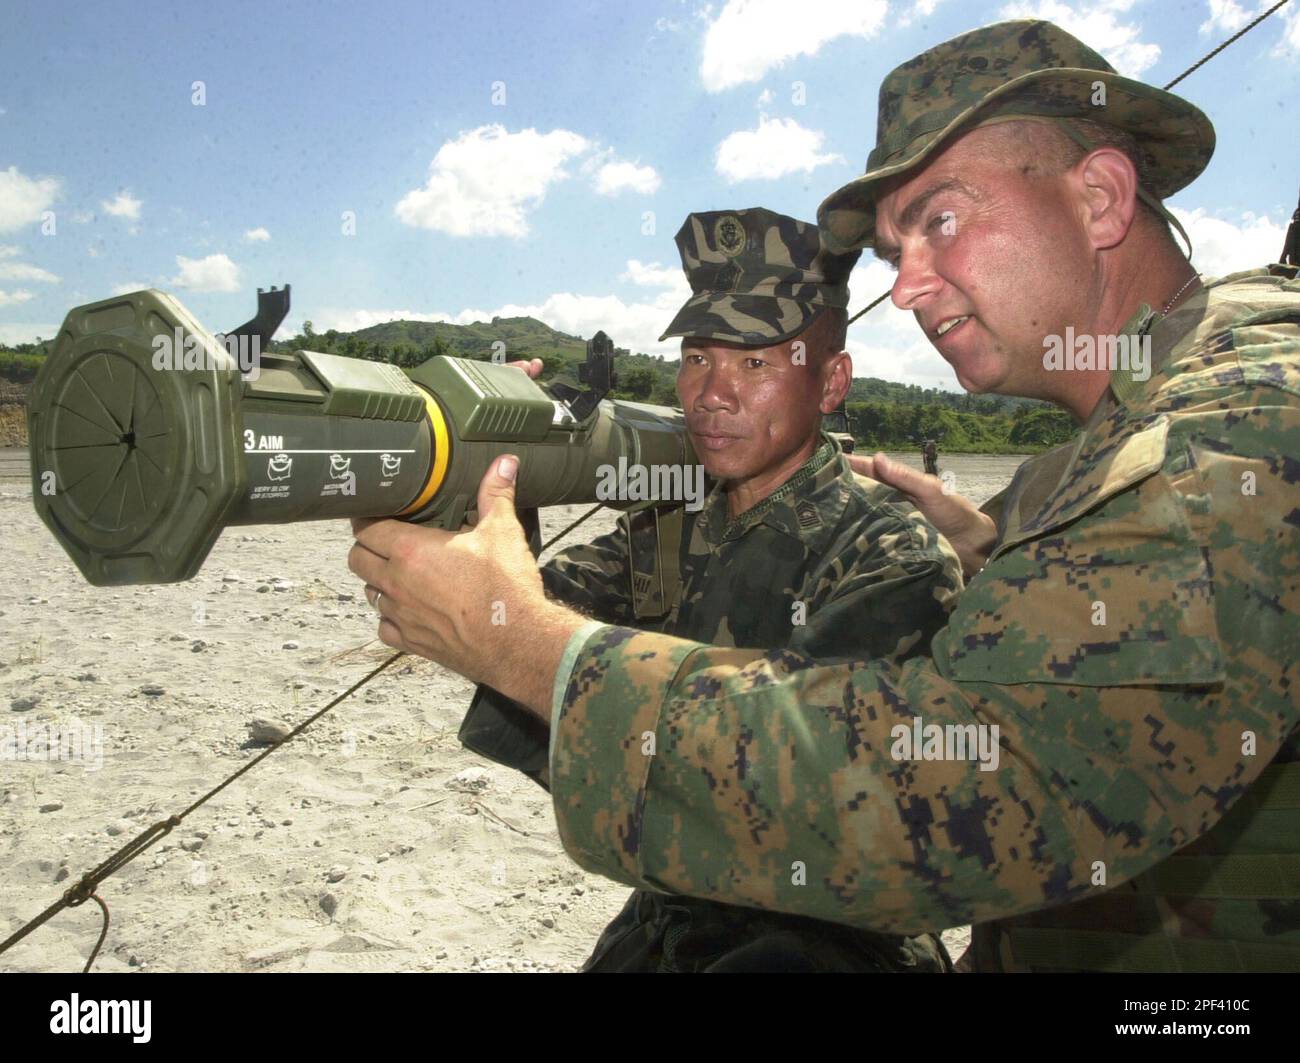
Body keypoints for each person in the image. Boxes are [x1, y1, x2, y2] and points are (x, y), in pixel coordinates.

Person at [348, 19, 1300, 972]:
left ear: (1098, 197)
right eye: (894, 253)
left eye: (941, 220)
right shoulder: (1109, 441)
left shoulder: (1242, 419)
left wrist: (521, 640)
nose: (912, 288)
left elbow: (957, 792)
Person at [458, 207, 963, 972]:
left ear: (831, 381)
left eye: (755, 363)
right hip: (670, 922)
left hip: (826, 936)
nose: (712, 394)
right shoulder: (677, 524)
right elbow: (508, 623)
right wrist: (497, 478)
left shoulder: (891, 555)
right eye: (698, 357)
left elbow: (792, 797)